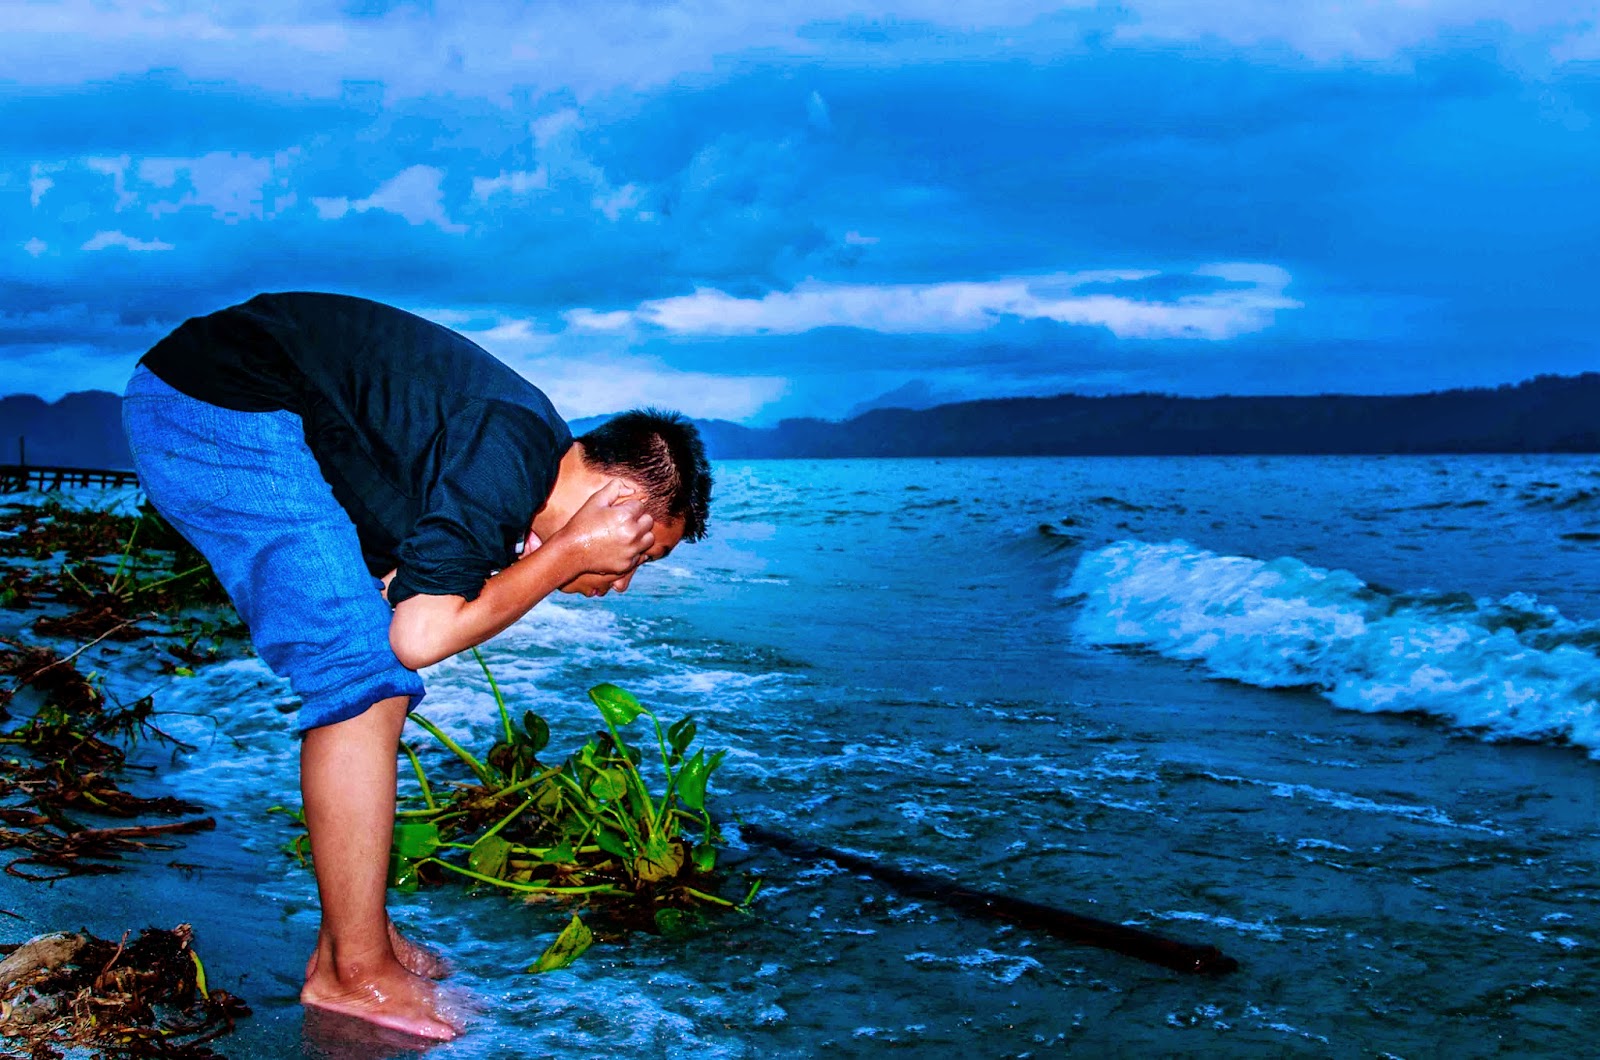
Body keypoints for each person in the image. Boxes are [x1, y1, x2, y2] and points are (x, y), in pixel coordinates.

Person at [120, 291, 712, 1040]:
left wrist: (539, 557)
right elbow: (421, 639)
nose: (623, 580)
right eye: (643, 552)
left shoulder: (515, 460)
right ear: (620, 502)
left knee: (374, 677)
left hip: (242, 405)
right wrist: (569, 552)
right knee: (363, 680)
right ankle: (355, 973)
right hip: (221, 404)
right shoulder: (511, 445)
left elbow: (403, 596)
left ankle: (352, 937)